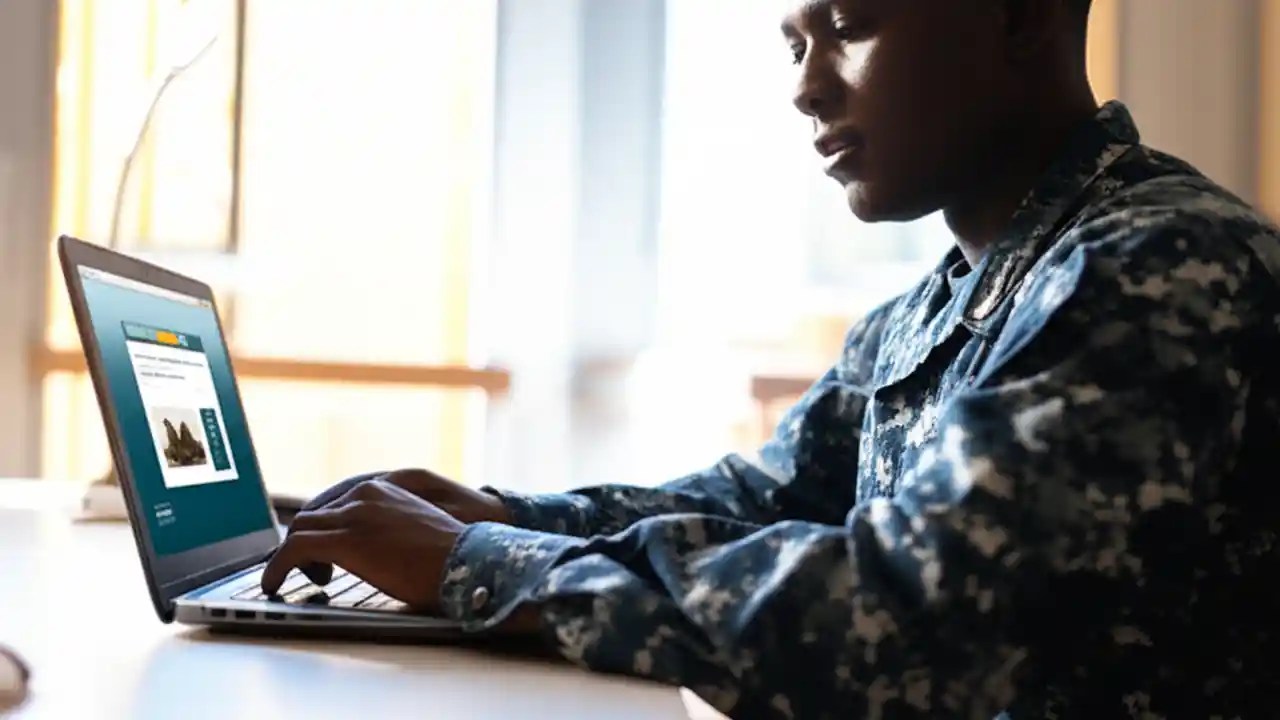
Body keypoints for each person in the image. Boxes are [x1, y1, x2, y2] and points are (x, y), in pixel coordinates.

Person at [263, 0, 1280, 716]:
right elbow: (762, 497)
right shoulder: (921, 312)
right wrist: (501, 516)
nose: (803, 88)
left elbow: (912, 621)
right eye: (793, 39)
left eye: (846, 26)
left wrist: (468, 566)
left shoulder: (1160, 262)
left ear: (1014, 15)